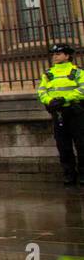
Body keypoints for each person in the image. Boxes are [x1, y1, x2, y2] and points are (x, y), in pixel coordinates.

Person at [39, 43, 84, 187]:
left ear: (67, 55)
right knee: (63, 146)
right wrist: (50, 101)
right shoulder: (48, 74)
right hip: (58, 113)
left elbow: (82, 89)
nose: (55, 56)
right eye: (53, 54)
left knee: (81, 144)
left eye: (58, 54)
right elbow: (41, 91)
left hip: (75, 112)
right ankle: (69, 175)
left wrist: (66, 98)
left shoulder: (77, 72)